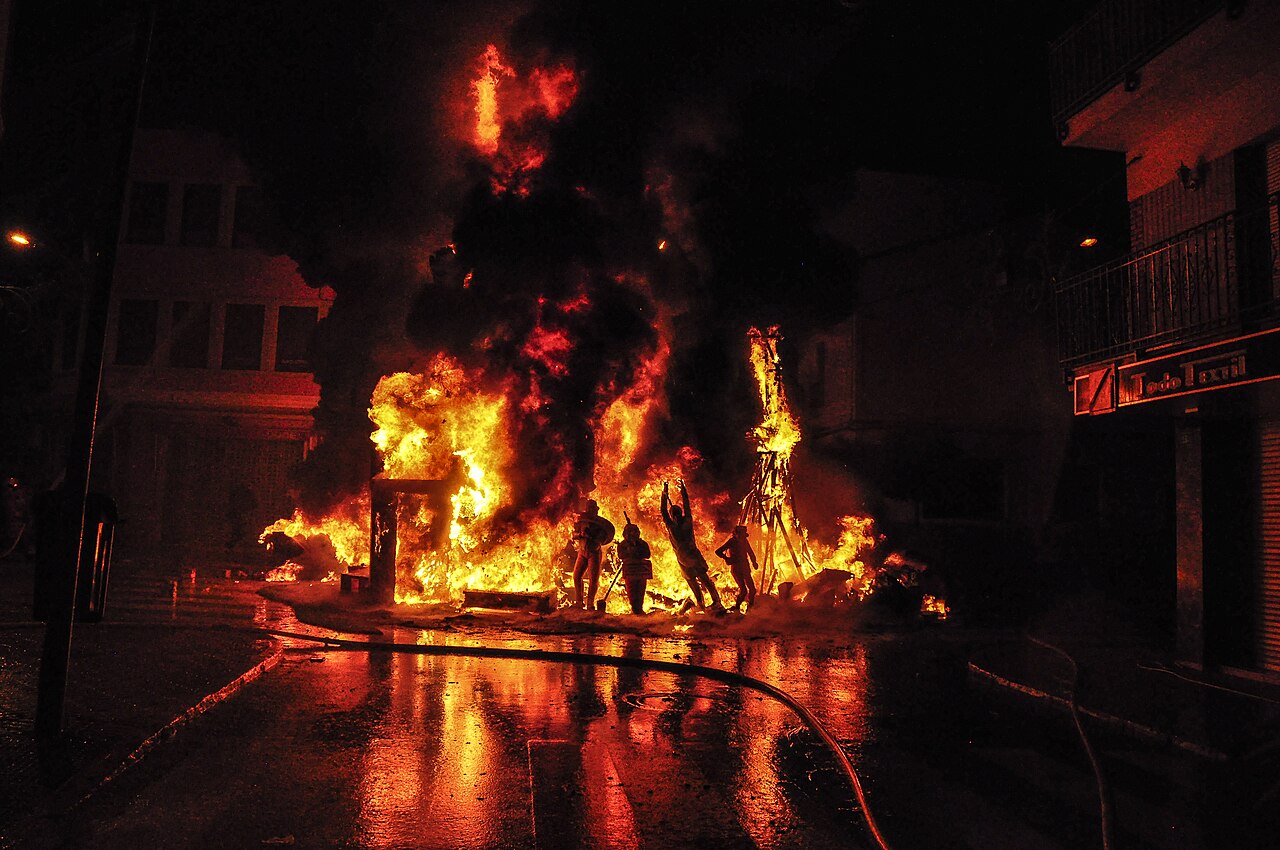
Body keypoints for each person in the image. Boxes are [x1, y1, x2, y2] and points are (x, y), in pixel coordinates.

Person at [660, 480, 724, 612]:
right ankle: (701, 604)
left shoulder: (687, 521)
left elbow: (686, 504)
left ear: (681, 514)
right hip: (682, 560)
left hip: (693, 557)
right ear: (671, 516)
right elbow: (663, 510)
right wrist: (665, 492)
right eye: (674, 513)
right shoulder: (670, 525)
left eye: (677, 513)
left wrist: (683, 489)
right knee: (694, 584)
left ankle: (716, 601)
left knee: (705, 580)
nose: (676, 515)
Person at [571, 499, 615, 610]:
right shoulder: (582, 522)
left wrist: (590, 535)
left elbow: (601, 539)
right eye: (589, 508)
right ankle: (579, 602)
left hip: (594, 553)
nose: (590, 510)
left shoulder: (600, 526)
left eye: (592, 508)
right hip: (582, 552)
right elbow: (574, 535)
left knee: (593, 579)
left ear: (596, 510)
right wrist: (580, 534)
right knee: (576, 576)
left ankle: (590, 603)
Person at [715, 524, 759, 613]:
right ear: (736, 534)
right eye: (741, 534)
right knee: (743, 590)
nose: (742, 536)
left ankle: (750, 607)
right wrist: (726, 558)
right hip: (736, 569)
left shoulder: (744, 541)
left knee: (752, 589)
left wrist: (754, 562)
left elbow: (750, 552)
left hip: (745, 567)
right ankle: (737, 608)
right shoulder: (732, 542)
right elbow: (718, 551)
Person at [616, 514, 653, 615]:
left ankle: (639, 609)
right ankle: (635, 609)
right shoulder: (623, 544)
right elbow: (621, 555)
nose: (633, 533)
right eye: (631, 531)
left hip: (641, 570)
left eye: (635, 531)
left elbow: (647, 554)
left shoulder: (643, 543)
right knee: (632, 591)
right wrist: (629, 551)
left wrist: (637, 550)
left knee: (640, 590)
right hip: (630, 570)